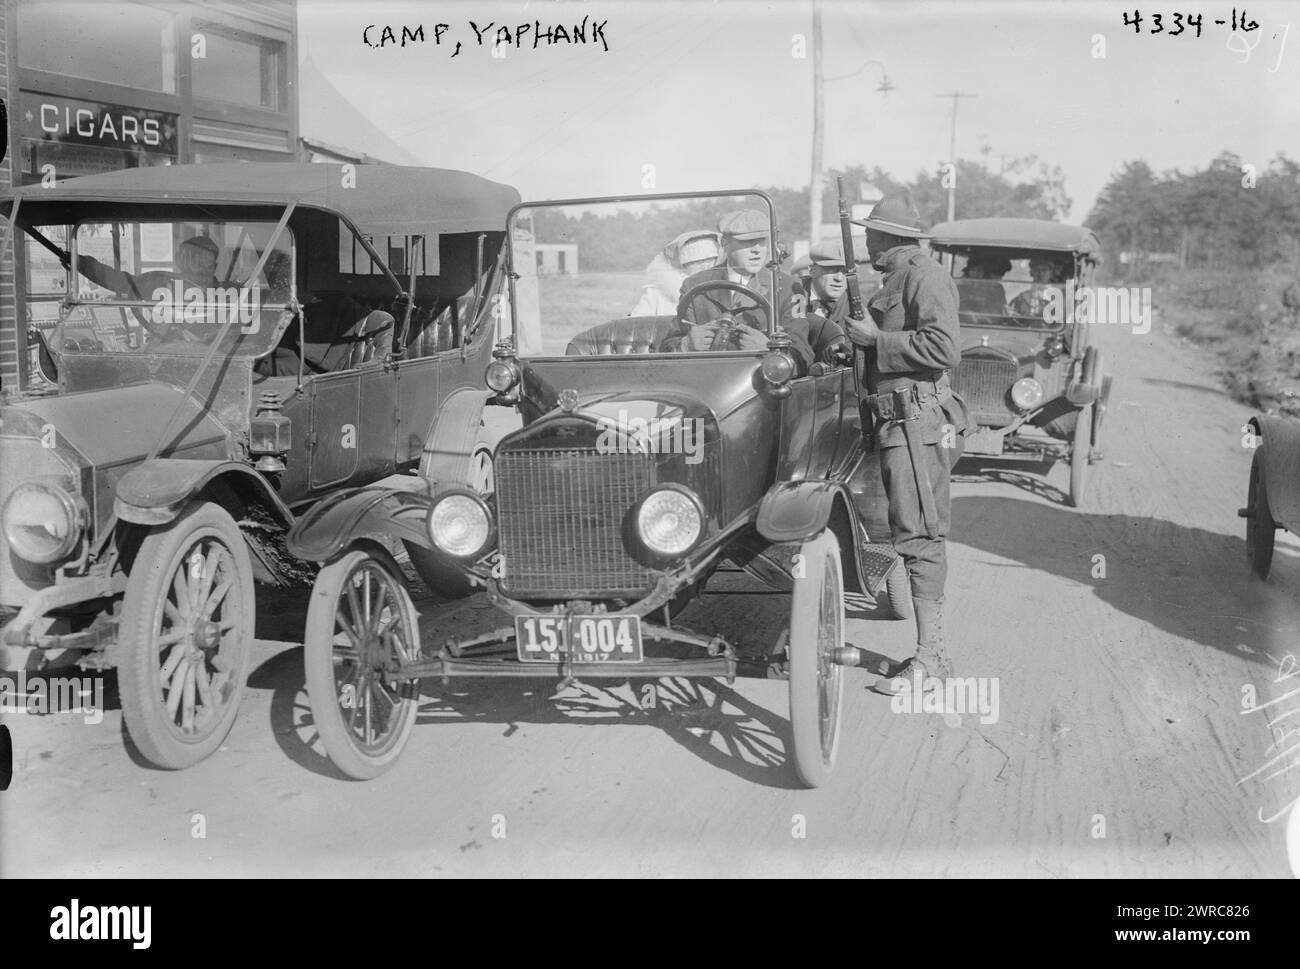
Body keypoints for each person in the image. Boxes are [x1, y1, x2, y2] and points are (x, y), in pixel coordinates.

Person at [844, 194, 971, 686]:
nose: (866, 240)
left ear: (891, 237)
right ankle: (928, 657)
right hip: (899, 421)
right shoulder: (898, 277)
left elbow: (944, 348)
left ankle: (931, 660)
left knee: (920, 536)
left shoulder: (925, 275)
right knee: (908, 531)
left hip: (917, 421)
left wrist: (877, 341)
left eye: (871, 233)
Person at [663, 209, 814, 372]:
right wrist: (686, 345)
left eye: (762, 241)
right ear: (725, 244)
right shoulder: (695, 286)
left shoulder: (788, 288)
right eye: (747, 242)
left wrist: (770, 349)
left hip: (760, 386)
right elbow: (666, 347)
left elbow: (802, 356)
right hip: (704, 382)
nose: (757, 249)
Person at [67, 235, 222, 342]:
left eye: (205, 265)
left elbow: (237, 336)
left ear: (214, 267)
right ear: (180, 262)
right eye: (193, 263)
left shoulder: (230, 295)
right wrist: (82, 264)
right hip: (165, 360)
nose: (199, 270)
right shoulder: (163, 286)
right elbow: (121, 282)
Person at [629, 230, 720, 317]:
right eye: (697, 263)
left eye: (709, 261)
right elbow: (635, 323)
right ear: (684, 267)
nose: (705, 267)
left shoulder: (726, 287)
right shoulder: (657, 294)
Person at [1009, 254, 1071, 318]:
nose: (1040, 273)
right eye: (1036, 270)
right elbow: (1013, 318)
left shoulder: (1061, 297)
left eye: (1044, 270)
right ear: (1031, 273)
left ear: (1051, 273)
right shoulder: (1022, 298)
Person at [957, 251, 1011, 316]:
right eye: (973, 270)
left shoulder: (997, 288)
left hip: (989, 322)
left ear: (984, 272)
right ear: (968, 272)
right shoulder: (960, 287)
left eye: (979, 270)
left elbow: (1001, 307)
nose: (976, 273)